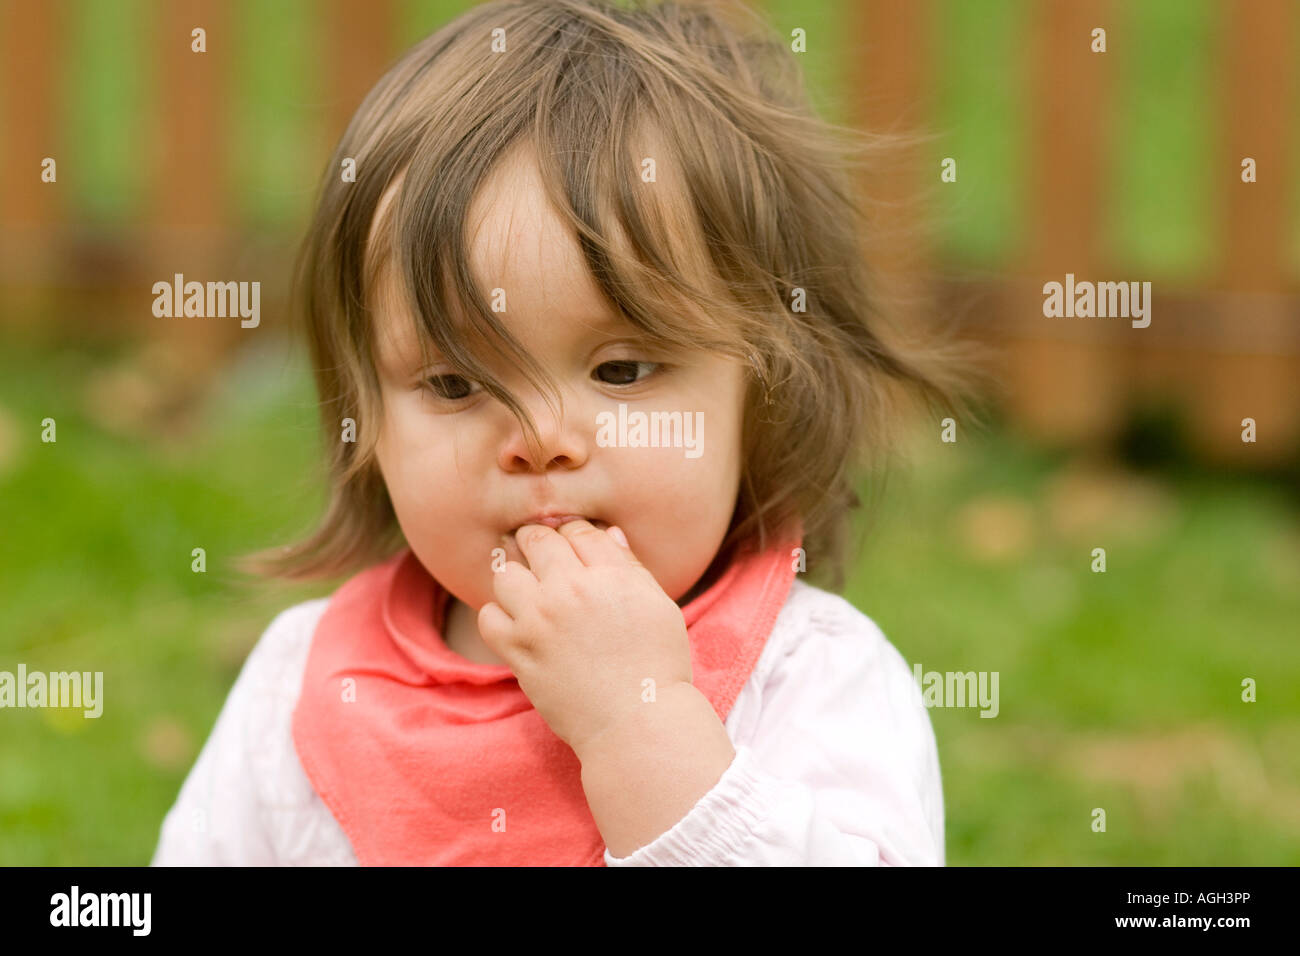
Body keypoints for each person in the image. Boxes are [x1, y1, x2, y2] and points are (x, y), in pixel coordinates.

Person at [152, 0, 967, 866]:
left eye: (622, 370)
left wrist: (639, 725)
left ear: (761, 397)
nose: (540, 438)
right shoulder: (305, 680)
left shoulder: (809, 677)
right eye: (456, 383)